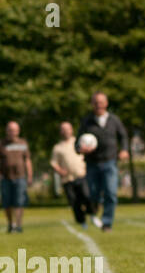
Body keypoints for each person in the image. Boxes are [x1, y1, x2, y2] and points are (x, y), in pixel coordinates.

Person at [75, 92, 130, 232]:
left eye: (101, 102)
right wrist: (81, 149)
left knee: (111, 193)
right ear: (92, 104)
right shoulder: (87, 121)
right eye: (95, 102)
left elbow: (123, 136)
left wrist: (124, 150)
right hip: (92, 164)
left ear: (106, 103)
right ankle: (93, 210)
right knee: (93, 194)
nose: (98, 105)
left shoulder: (114, 120)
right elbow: (77, 144)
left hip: (110, 162)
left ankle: (106, 223)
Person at [0, 122, 32, 233]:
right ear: (6, 131)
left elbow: (27, 160)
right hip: (5, 177)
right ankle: (11, 224)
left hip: (20, 176)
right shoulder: (0, 144)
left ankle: (19, 225)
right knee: (7, 203)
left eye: (14, 130)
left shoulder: (23, 143)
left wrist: (29, 175)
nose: (12, 132)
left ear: (18, 131)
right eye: (10, 130)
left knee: (19, 202)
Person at [50, 121, 90, 227]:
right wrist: (60, 171)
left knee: (87, 196)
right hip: (67, 179)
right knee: (74, 202)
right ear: (60, 132)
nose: (66, 131)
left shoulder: (80, 142)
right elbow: (54, 163)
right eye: (63, 129)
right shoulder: (57, 147)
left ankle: (92, 213)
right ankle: (82, 221)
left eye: (67, 129)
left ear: (71, 130)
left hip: (82, 175)